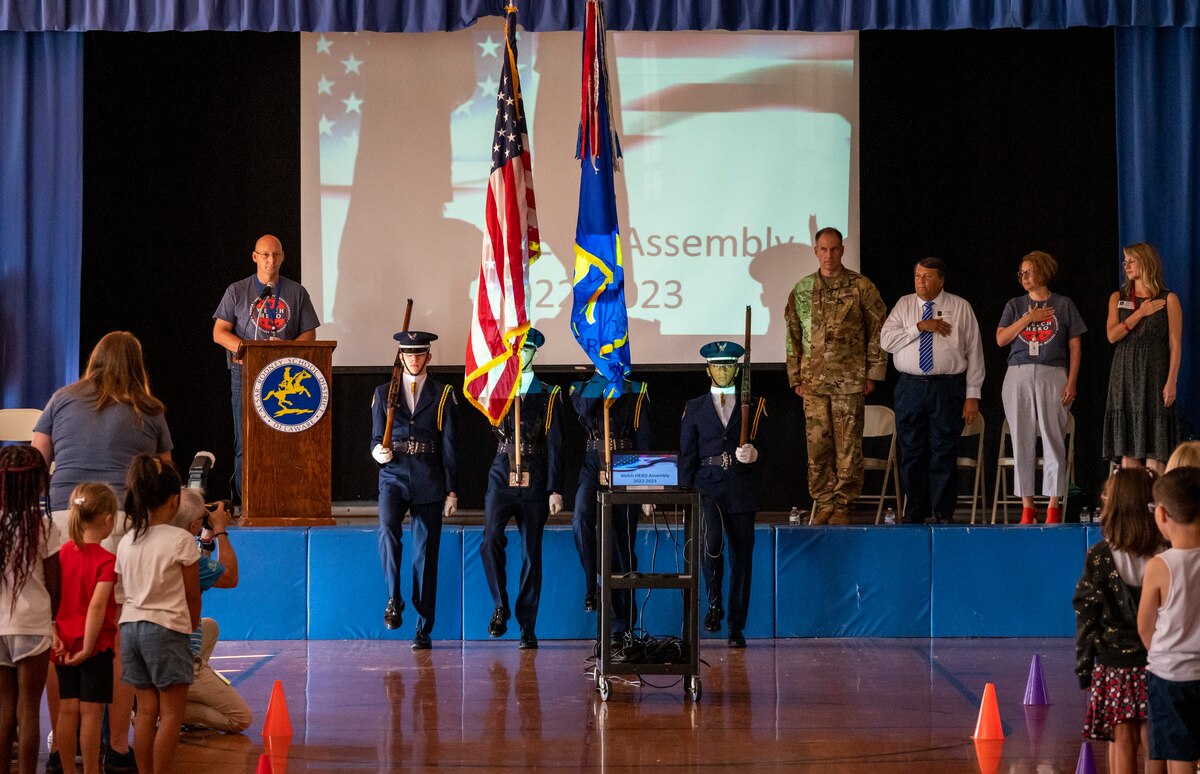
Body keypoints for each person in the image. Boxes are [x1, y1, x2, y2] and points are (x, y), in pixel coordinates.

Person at [31, 330, 170, 773]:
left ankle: (59, 748)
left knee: (60, 630)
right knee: (115, 633)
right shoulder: (148, 410)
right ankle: (119, 750)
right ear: (137, 365)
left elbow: (37, 462)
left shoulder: (60, 399)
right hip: (118, 523)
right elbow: (162, 479)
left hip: (61, 520)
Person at [784, 227, 888, 524]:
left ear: (842, 250)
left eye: (834, 249)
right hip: (813, 383)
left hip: (850, 382)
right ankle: (824, 502)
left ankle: (842, 504)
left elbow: (879, 329)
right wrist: (795, 376)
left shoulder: (860, 287)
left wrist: (873, 372)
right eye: (823, 250)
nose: (829, 255)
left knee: (848, 446)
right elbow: (793, 334)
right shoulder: (802, 289)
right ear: (816, 251)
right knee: (817, 447)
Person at [211, 234, 320, 501]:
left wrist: (285, 348)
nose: (271, 260)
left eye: (276, 255)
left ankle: (283, 498)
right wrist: (245, 349)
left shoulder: (296, 292)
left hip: (285, 375)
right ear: (255, 257)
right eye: (265, 255)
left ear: (283, 257)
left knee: (283, 440)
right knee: (247, 441)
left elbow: (309, 335)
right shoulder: (237, 291)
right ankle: (248, 502)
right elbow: (219, 332)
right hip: (245, 372)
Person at [370, 331, 458, 650]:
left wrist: (451, 490)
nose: (414, 359)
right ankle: (394, 599)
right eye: (409, 354)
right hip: (393, 474)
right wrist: (375, 452)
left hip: (428, 475)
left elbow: (449, 447)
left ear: (428, 357)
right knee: (388, 531)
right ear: (401, 356)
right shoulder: (383, 394)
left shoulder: (442, 394)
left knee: (425, 553)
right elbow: (375, 436)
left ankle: (423, 625)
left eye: (420, 354)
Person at [1073, 469, 1165, 774]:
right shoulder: (1166, 554)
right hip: (1159, 662)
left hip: (1115, 665)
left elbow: (1087, 617)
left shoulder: (1099, 557)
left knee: (1122, 740)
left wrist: (1085, 668)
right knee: (1156, 742)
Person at [880, 258, 985, 524]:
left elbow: (975, 353)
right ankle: (915, 510)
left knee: (944, 450)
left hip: (947, 387)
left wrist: (973, 394)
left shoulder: (960, 307)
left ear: (940, 280)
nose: (920, 282)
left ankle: (942, 512)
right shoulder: (904, 305)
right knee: (911, 452)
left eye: (926, 277)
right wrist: (919, 326)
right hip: (911, 386)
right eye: (917, 276)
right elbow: (886, 341)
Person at [116, 455, 201, 774]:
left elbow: (123, 589)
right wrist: (190, 627)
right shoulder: (180, 539)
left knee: (147, 712)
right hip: (166, 630)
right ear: (175, 500)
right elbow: (192, 594)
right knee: (171, 714)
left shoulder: (127, 541)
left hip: (130, 631)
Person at [678, 341, 766, 648]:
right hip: (708, 485)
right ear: (708, 370)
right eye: (717, 366)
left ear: (738, 369)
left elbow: (769, 449)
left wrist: (755, 454)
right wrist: (684, 491)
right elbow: (687, 454)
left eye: (729, 365)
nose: (723, 371)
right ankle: (714, 604)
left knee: (742, 559)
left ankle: (736, 626)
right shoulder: (694, 406)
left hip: (742, 487)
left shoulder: (755, 405)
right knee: (711, 546)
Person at [479, 330, 563, 650]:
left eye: (526, 349)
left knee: (531, 551)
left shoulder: (549, 393)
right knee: (490, 539)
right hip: (502, 470)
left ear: (535, 354)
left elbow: (556, 445)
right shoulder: (498, 389)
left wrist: (555, 488)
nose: (521, 354)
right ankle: (500, 606)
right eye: (516, 349)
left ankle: (528, 624)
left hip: (535, 470)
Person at [996, 250, 1086, 525]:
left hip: (1052, 373)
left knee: (1052, 437)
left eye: (1028, 272)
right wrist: (1027, 319)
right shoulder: (1015, 304)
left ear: (1043, 273)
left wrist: (1071, 380)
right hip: (1019, 373)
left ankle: (1053, 505)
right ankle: (1027, 507)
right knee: (1021, 439)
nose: (1023, 277)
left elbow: (1074, 344)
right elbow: (1001, 339)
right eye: (1020, 273)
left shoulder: (1063, 304)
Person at [569, 369, 653, 639]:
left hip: (626, 461)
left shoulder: (636, 389)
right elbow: (583, 408)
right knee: (581, 519)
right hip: (594, 460)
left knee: (621, 547)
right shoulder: (580, 388)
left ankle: (620, 628)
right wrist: (602, 379)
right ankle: (593, 581)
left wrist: (646, 488)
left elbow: (645, 436)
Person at [0, 446, 60, 774]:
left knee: (4, 706)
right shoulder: (45, 526)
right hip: (34, 624)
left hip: (0, 626)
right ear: (40, 485)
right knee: (28, 708)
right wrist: (55, 621)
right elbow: (55, 584)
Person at [52, 484, 120, 774]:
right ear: (107, 520)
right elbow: (96, 607)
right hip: (96, 645)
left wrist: (54, 633)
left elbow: (50, 598)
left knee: (67, 710)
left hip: (62, 642)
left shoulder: (59, 555)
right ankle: (91, 770)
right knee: (91, 712)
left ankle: (68, 770)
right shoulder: (106, 560)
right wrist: (89, 647)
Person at [1138, 467, 1200, 773]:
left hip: (1170, 677)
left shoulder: (1160, 566)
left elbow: (1145, 625)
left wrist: (1163, 653)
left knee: (1179, 755)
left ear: (1161, 515)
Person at [173, 489, 250, 733]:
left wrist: (205, 538)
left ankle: (171, 699)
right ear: (194, 523)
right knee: (240, 719)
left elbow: (200, 573)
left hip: (153, 647)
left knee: (210, 626)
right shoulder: (187, 556)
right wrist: (221, 531)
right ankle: (164, 711)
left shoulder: (164, 541)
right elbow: (230, 577)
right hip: (180, 658)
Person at [1102, 243, 1182, 473]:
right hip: (1124, 375)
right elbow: (1112, 335)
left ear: (1145, 262)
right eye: (1124, 261)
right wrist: (1140, 313)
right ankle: (1132, 505)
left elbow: (1175, 344)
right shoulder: (1118, 297)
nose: (1126, 265)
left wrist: (1171, 381)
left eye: (1131, 260)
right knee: (1128, 449)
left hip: (1155, 375)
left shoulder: (1169, 299)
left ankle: (1155, 506)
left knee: (1155, 448)